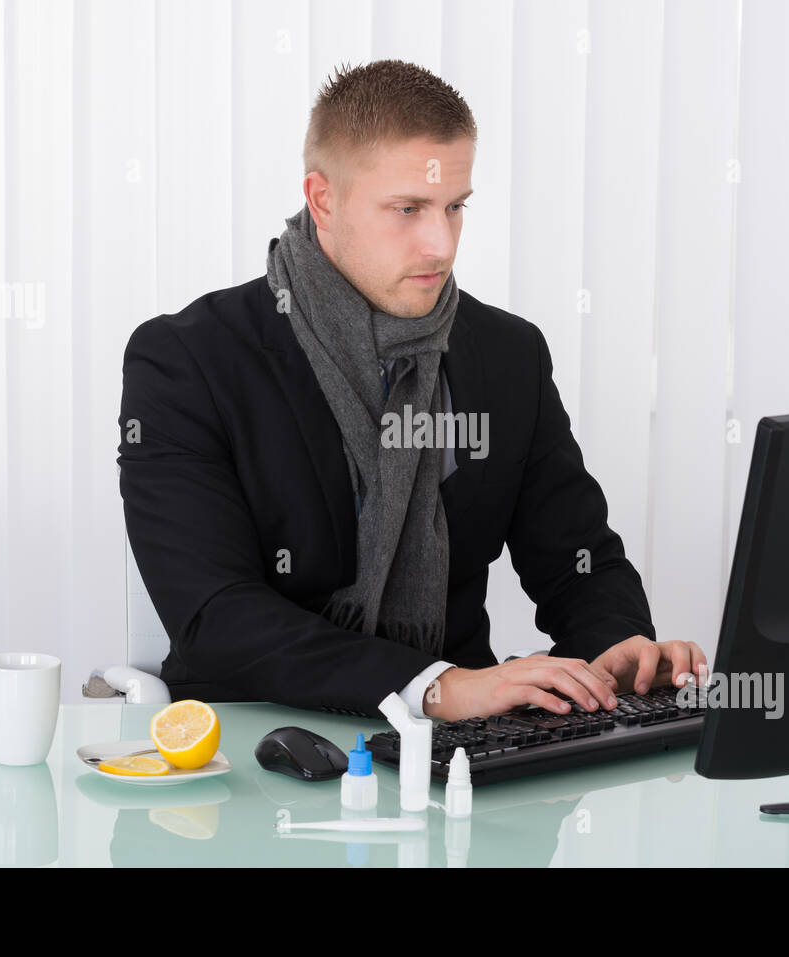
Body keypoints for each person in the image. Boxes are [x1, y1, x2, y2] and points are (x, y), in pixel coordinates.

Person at [117, 59, 707, 722]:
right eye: (408, 209)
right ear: (323, 200)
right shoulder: (188, 360)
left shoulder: (506, 354)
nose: (441, 244)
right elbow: (217, 617)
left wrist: (616, 643)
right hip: (249, 747)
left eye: (456, 207)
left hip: (457, 755)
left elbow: (578, 561)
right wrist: (436, 684)